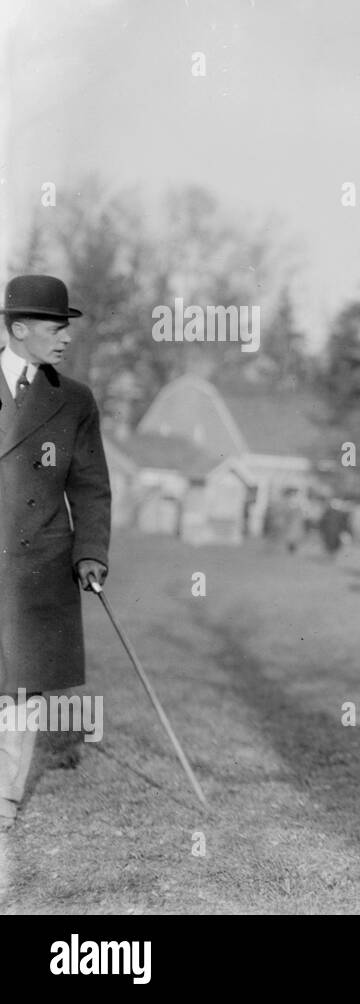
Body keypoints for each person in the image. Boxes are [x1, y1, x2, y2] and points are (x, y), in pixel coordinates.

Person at [0, 275, 111, 829]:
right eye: (54, 327)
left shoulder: (73, 402)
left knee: (19, 686)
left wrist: (90, 553)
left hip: (37, 566)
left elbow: (90, 485)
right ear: (19, 329)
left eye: (67, 329)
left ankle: (3, 800)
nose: (65, 339)